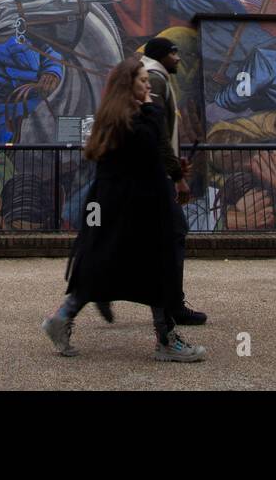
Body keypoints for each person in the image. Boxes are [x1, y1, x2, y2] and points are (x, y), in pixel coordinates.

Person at [42, 57, 206, 363]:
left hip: (123, 201)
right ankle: (166, 340)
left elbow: (144, 156)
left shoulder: (117, 116)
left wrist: (171, 171)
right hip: (137, 203)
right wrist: (150, 108)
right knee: (158, 263)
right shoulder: (132, 116)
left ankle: (62, 318)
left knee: (107, 264)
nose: (147, 85)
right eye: (142, 80)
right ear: (127, 84)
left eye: (147, 80)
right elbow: (146, 146)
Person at [141, 36, 207, 325]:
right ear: (162, 55)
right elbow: (155, 133)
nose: (178, 58)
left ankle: (168, 306)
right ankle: (172, 308)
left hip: (154, 172)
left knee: (156, 238)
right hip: (155, 176)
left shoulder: (153, 77)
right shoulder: (155, 79)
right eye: (174, 53)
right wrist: (176, 175)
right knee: (175, 233)